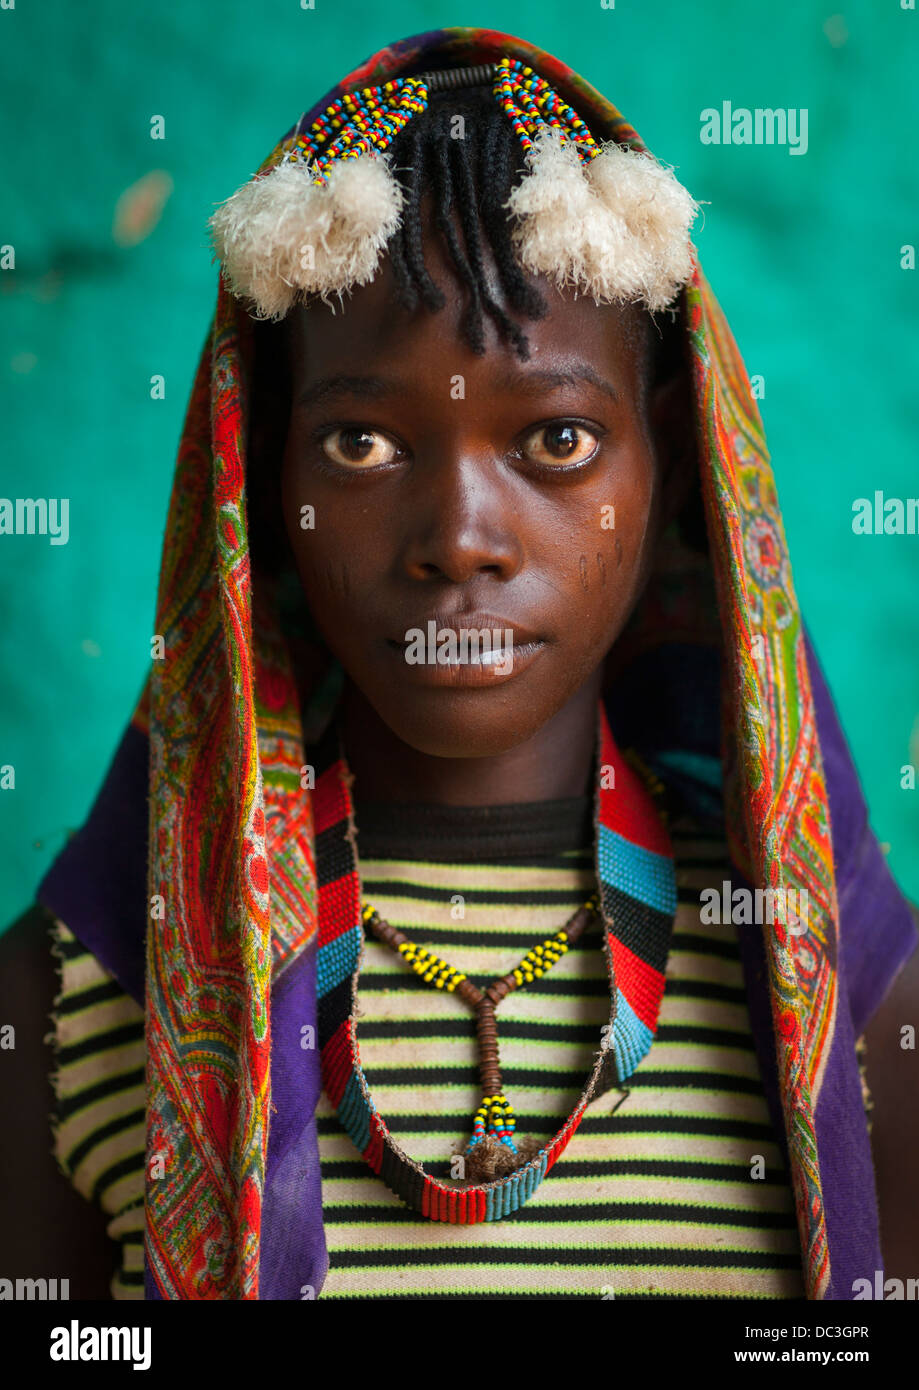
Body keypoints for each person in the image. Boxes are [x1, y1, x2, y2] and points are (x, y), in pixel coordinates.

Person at [1, 27, 916, 1302]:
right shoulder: (86, 987)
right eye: (363, 444)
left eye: (553, 437)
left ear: (665, 468)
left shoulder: (838, 990)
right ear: (264, 485)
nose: (460, 539)